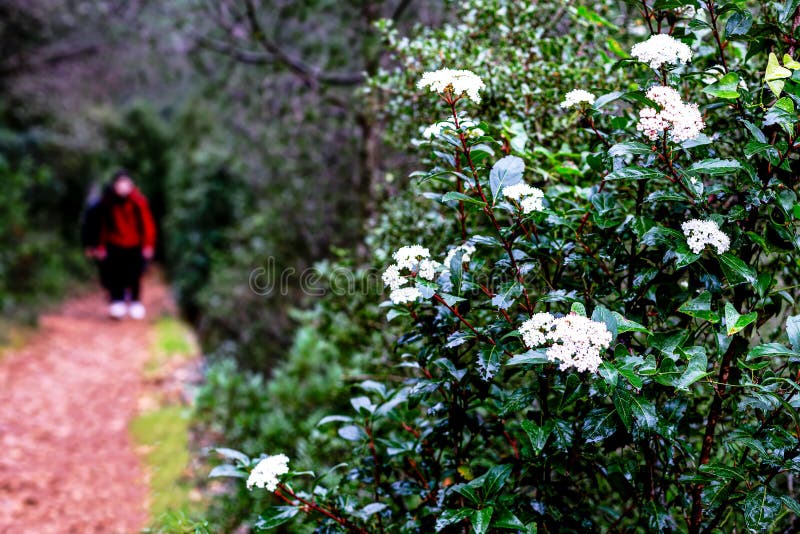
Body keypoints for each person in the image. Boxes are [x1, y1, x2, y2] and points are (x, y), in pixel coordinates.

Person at [82, 170, 156, 320]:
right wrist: (96, 246)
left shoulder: (138, 202)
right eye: (120, 184)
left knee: (134, 274)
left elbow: (148, 224)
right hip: (113, 244)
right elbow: (96, 225)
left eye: (126, 184)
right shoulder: (106, 203)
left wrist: (148, 245)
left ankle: (135, 302)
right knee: (114, 275)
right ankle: (117, 302)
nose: (123, 188)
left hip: (134, 244)